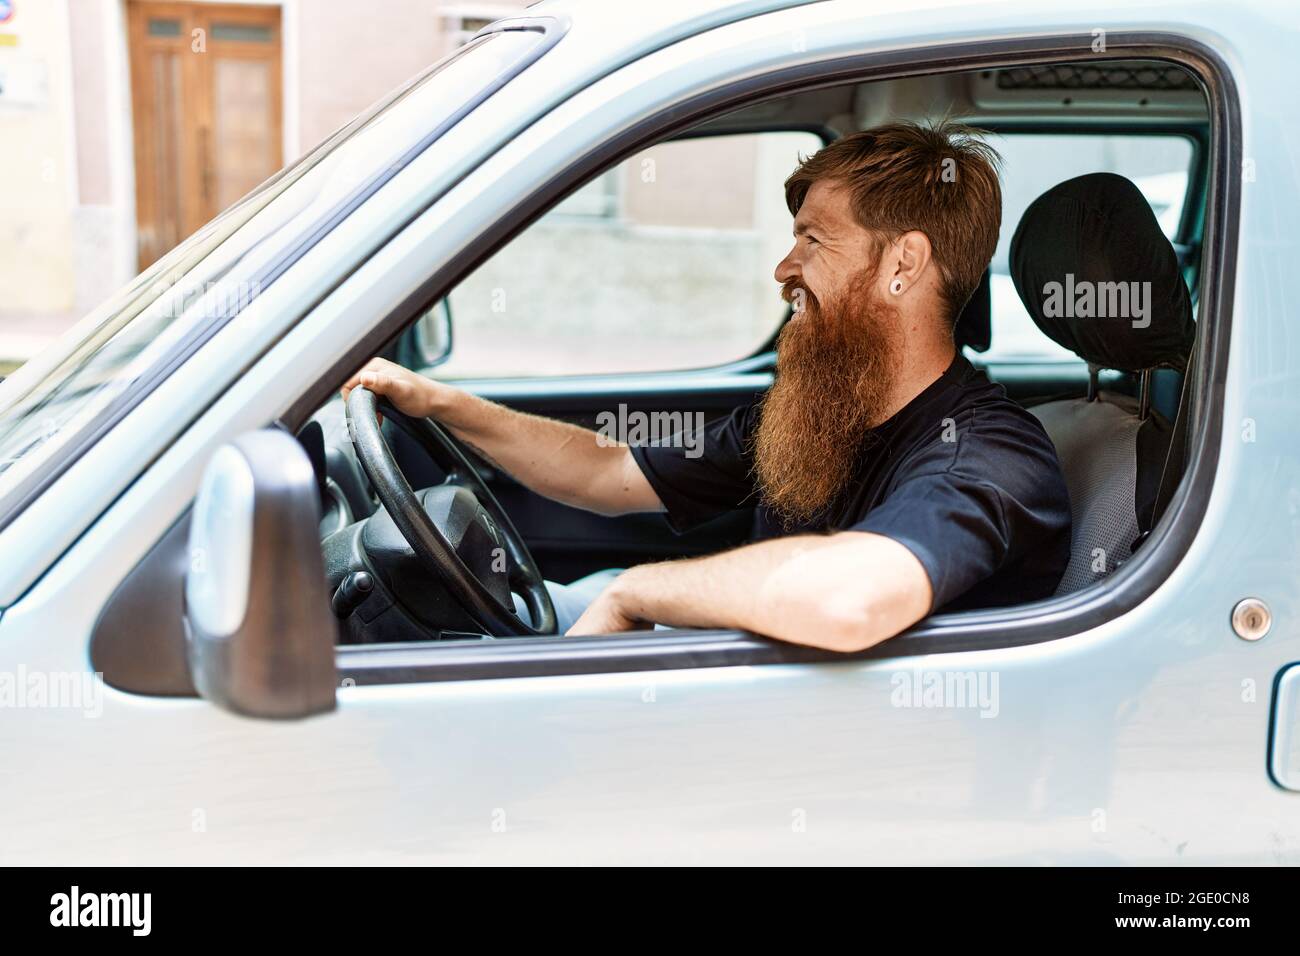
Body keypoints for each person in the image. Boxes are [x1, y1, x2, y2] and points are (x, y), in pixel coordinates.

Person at [342, 121, 1070, 651]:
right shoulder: (824, 411)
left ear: (902, 264)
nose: (784, 268)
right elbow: (607, 469)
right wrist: (438, 403)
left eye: (813, 240)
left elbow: (854, 597)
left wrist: (639, 592)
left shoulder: (988, 455)